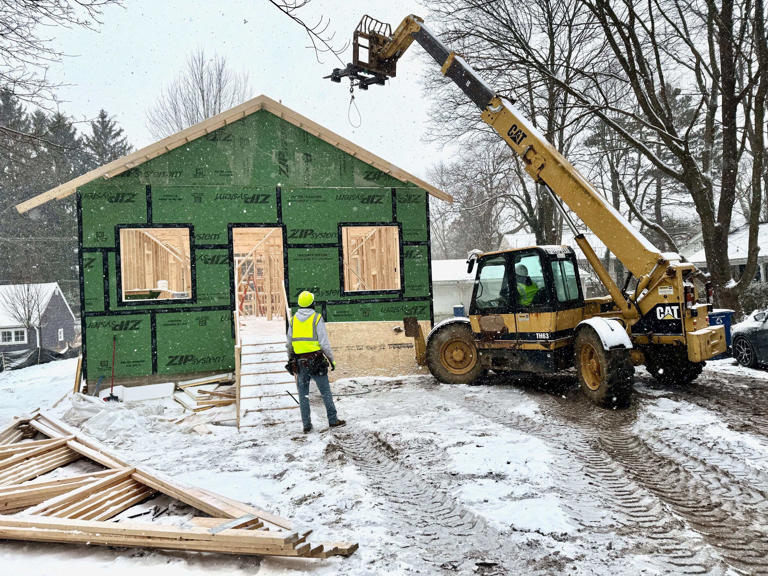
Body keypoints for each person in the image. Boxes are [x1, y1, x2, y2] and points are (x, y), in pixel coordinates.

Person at [286, 290, 346, 433]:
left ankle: (306, 425)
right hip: (316, 361)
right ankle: (333, 420)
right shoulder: (316, 318)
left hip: (300, 362)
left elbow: (289, 343)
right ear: (312, 303)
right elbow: (324, 343)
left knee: (303, 394)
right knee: (325, 392)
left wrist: (290, 358)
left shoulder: (293, 320)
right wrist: (332, 360)